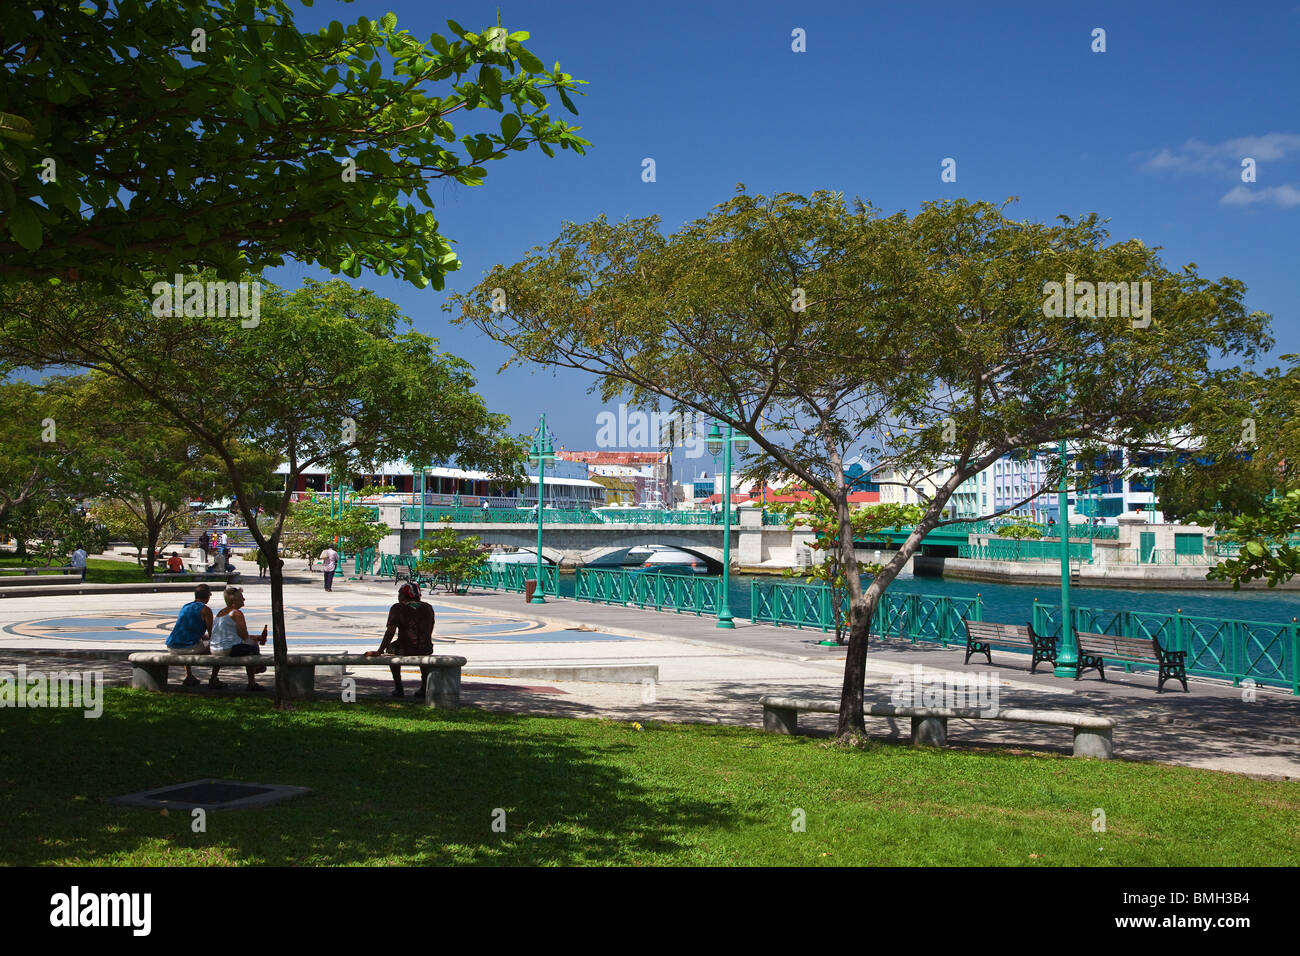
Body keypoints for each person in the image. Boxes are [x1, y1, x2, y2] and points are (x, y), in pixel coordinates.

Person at [366, 582, 435, 698]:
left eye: (399, 593)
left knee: (391, 649)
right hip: (426, 648)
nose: (398, 596)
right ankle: (424, 687)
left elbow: (390, 631)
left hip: (405, 649)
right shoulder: (428, 607)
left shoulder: (398, 607)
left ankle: (399, 687)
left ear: (405, 595)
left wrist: (380, 650)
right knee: (423, 649)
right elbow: (430, 628)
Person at [208, 586, 268, 691]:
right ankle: (252, 681)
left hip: (214, 649)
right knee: (252, 647)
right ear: (234, 600)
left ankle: (213, 678)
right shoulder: (236, 613)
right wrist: (256, 646)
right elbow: (244, 637)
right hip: (228, 649)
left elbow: (233, 634)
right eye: (242, 597)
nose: (244, 599)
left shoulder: (220, 612)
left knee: (249, 644)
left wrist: (255, 637)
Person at [166, 584, 215, 687]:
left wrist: (202, 636)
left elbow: (188, 629)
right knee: (217, 648)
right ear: (208, 597)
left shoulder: (186, 607)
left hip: (171, 646)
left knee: (189, 642)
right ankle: (214, 678)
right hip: (188, 648)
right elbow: (212, 634)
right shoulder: (206, 610)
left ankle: (189, 675)